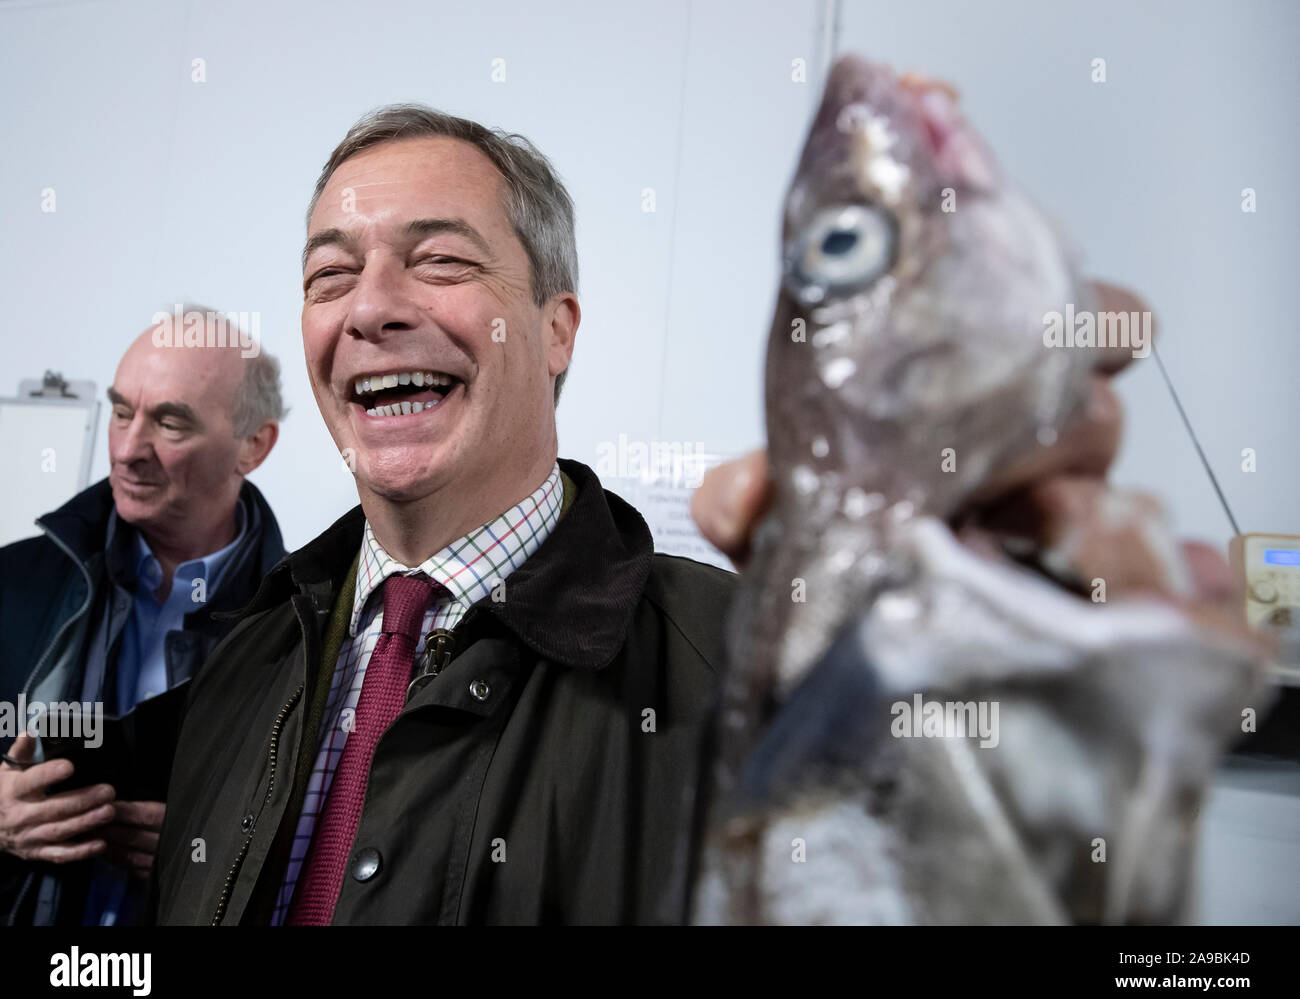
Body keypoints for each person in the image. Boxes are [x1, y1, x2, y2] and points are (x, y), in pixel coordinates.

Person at [152, 102, 1246, 925]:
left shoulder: (748, 675)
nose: (373, 305)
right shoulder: (247, 651)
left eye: (438, 260)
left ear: (557, 328)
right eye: (328, 275)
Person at [0, 308, 287, 925]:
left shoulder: (311, 626)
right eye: (122, 411)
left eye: (171, 424)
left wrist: (230, 857)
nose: (128, 450)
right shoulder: (13, 584)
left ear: (253, 447)